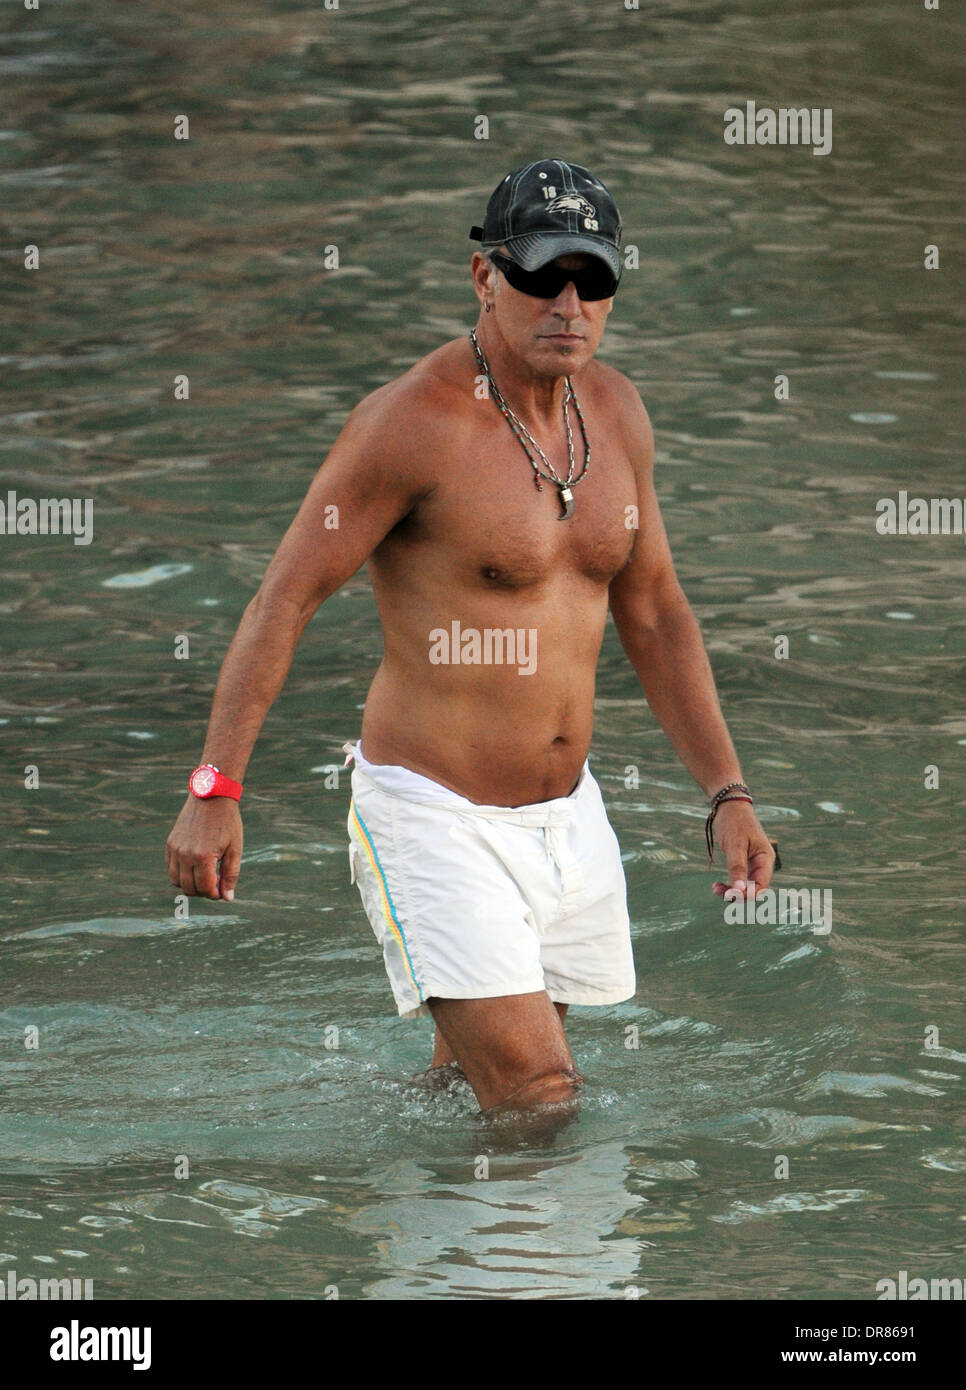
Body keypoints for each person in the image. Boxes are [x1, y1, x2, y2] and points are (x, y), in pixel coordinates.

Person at [166, 158, 777, 1120]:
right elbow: (281, 602)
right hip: (433, 815)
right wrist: (216, 789)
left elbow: (655, 611)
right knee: (543, 1100)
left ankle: (433, 1257)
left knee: (475, 1102)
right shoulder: (410, 426)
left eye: (594, 279)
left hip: (568, 819)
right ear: (486, 276)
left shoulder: (616, 413)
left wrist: (727, 792)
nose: (568, 303)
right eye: (541, 276)